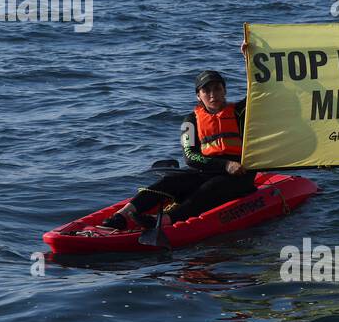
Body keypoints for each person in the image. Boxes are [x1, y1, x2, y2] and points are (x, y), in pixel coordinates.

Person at [103, 70, 260, 229]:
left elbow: (260, 91)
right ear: (198, 96)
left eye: (217, 89)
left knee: (210, 188)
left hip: (240, 175)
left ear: (224, 90)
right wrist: (225, 165)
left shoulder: (241, 112)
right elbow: (190, 156)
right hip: (209, 171)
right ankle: (121, 216)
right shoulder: (190, 121)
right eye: (206, 91)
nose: (213, 95)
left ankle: (165, 220)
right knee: (169, 181)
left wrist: (251, 61)